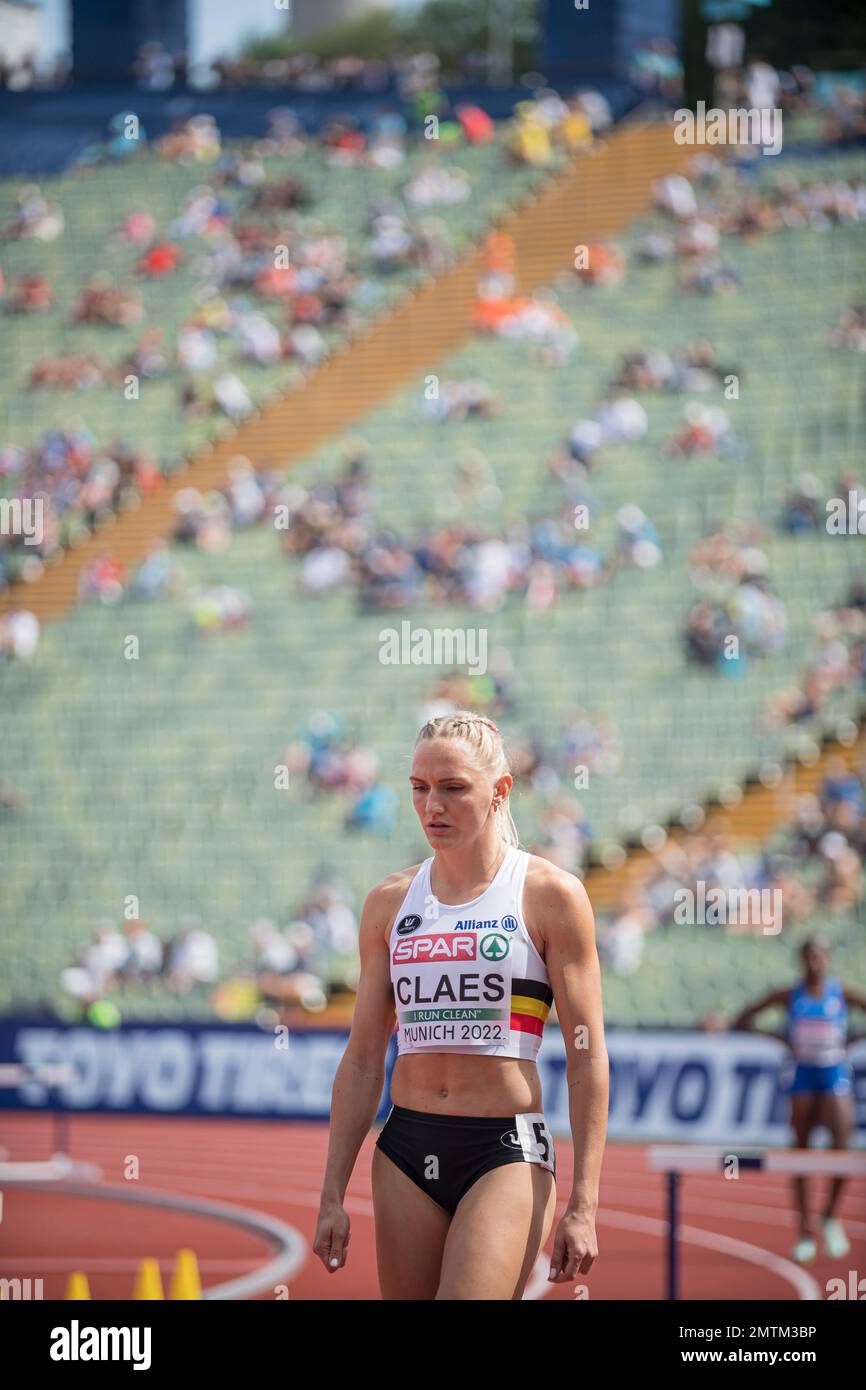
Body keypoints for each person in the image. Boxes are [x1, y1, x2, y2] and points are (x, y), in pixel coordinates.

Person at [314, 711, 607, 1299]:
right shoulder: (390, 903)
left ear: (500, 791)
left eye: (452, 788)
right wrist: (331, 1194)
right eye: (420, 789)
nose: (432, 808)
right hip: (404, 1150)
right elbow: (365, 1059)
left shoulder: (551, 895)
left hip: (503, 1151)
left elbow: (587, 1058)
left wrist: (585, 1204)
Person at [732, 936, 866, 1262]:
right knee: (801, 1151)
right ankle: (805, 1231)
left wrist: (852, 1040)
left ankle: (831, 1216)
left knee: (842, 1145)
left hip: (833, 1071)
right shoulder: (790, 995)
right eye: (809, 957)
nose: (815, 963)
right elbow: (744, 1018)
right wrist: (778, 1038)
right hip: (803, 1073)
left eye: (820, 956)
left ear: (829, 959)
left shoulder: (841, 993)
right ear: (801, 960)